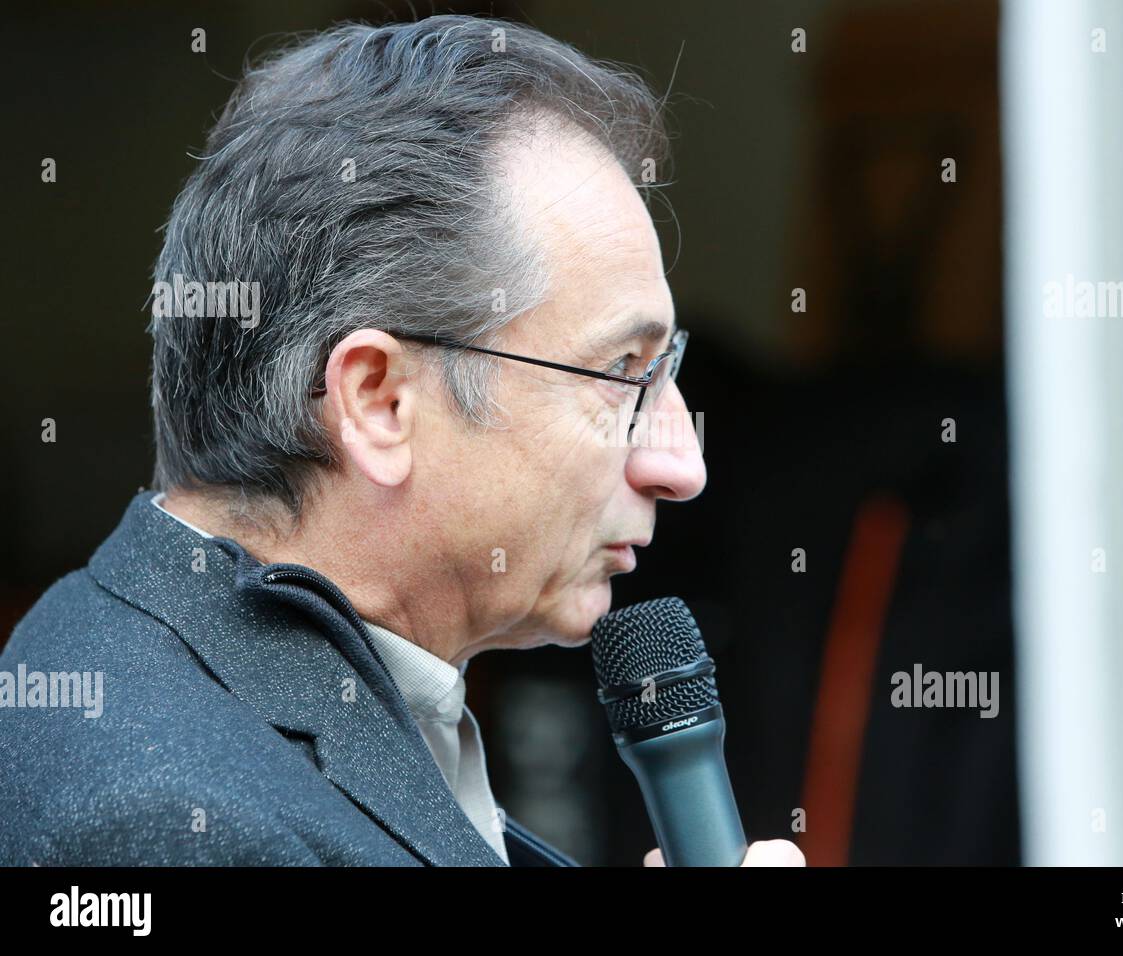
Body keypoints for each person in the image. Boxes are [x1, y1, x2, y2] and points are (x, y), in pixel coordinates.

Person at [0, 14, 804, 868]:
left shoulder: (168, 666)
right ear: (380, 402)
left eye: (668, 365)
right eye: (623, 373)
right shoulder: (174, 824)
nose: (683, 463)